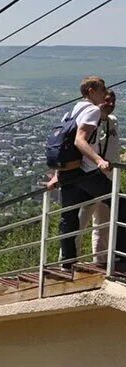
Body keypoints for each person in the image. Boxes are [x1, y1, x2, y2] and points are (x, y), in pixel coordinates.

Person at [48, 77, 126, 269]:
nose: (104, 93)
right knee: (121, 206)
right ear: (91, 91)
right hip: (87, 172)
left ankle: (67, 263)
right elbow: (79, 140)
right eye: (102, 90)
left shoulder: (73, 110)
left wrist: (58, 174)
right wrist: (99, 161)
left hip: (69, 172)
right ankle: (122, 257)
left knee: (69, 217)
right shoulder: (92, 110)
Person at [77, 90, 120, 264]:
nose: (110, 104)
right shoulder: (89, 121)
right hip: (91, 178)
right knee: (79, 224)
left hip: (109, 180)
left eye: (113, 101)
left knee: (104, 226)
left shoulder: (113, 122)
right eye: (106, 101)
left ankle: (101, 262)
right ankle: (69, 262)